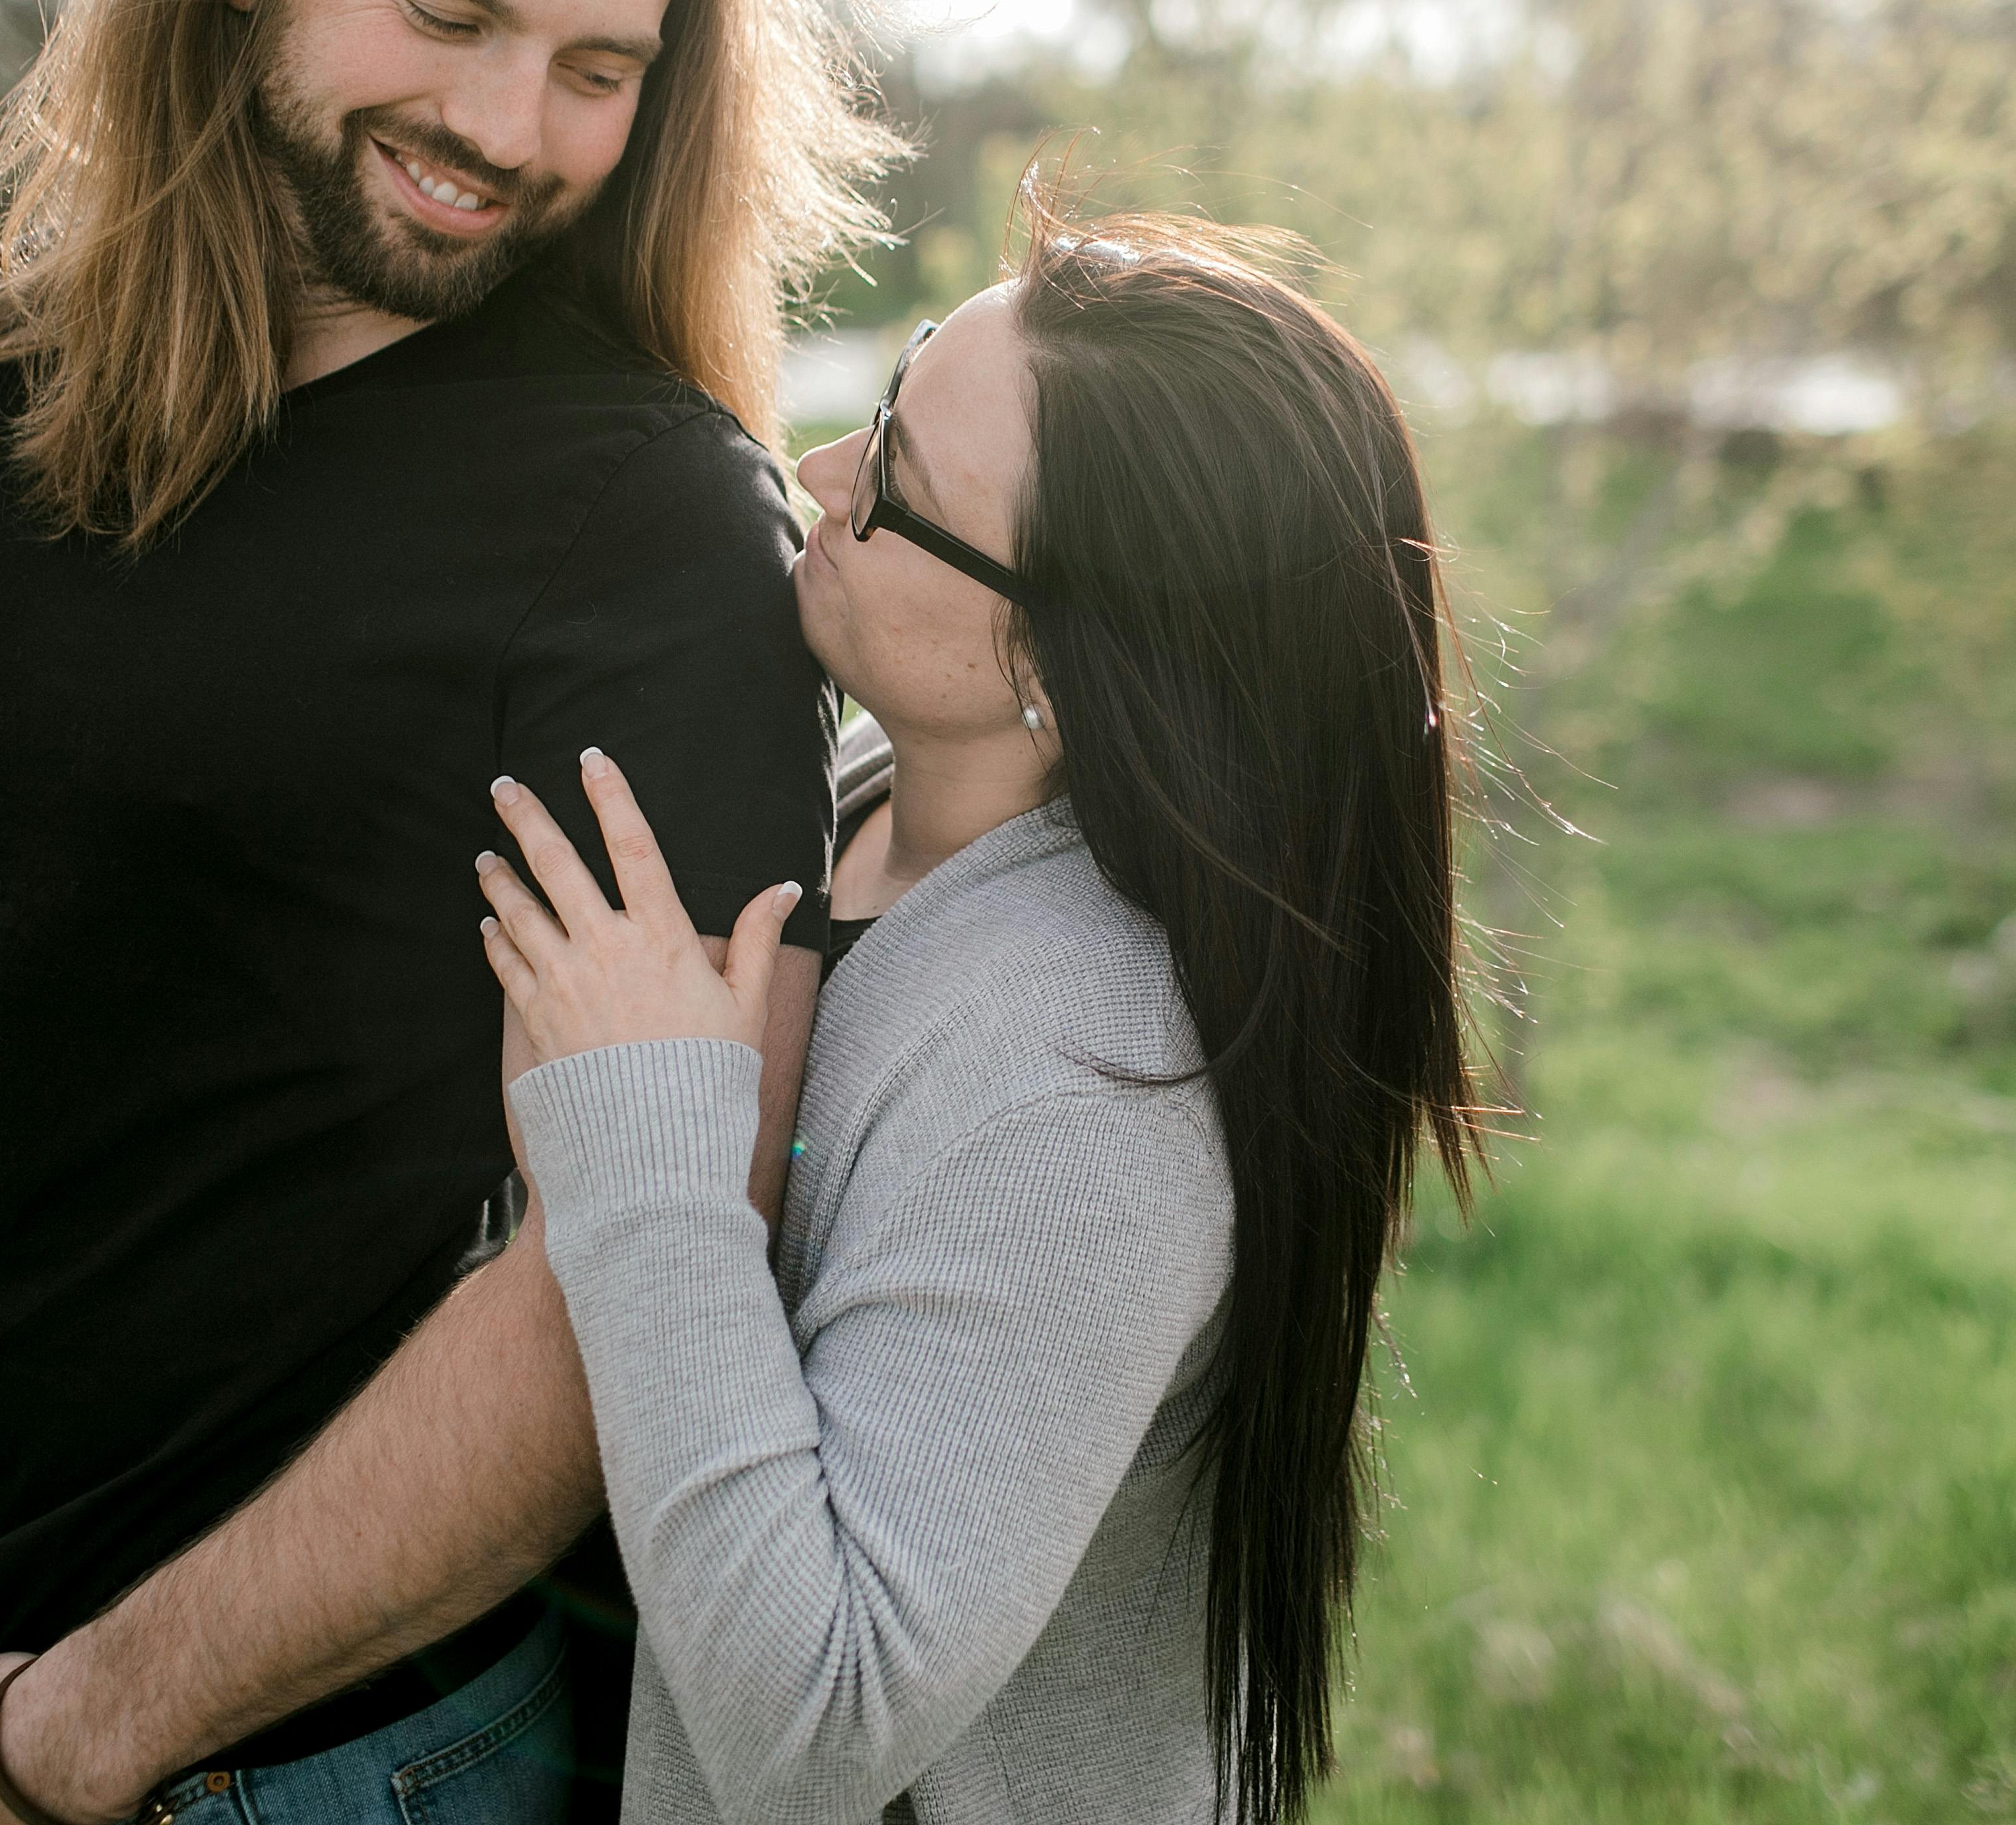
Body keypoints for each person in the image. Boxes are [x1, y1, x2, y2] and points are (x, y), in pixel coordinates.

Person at [0, 0, 898, 1822]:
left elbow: (636, 1274)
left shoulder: (647, 542)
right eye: (447, 12)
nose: (508, 130)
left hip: (284, 1755)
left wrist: (92, 1727)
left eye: (599, 66)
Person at [472, 202, 1486, 1824]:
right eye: (881, 412)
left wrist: (648, 1139)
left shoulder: (1087, 1087)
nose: (816, 477)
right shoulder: (869, 795)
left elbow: (815, 1724)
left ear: (1066, 667)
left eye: (893, 490)